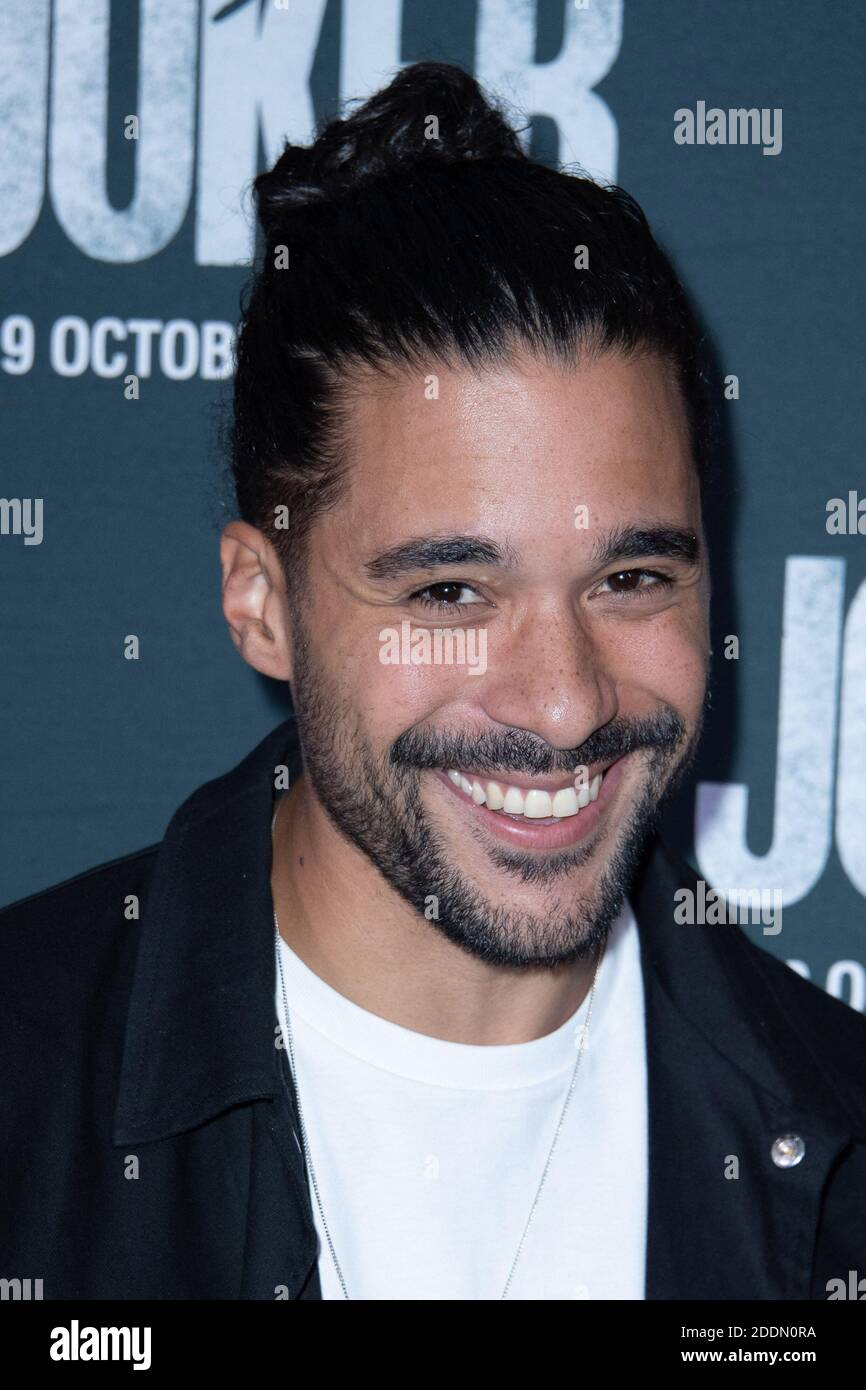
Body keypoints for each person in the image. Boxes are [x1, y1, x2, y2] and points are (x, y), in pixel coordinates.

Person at [2, 62, 864, 1302]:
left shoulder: (834, 1147)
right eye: (449, 594)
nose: (564, 704)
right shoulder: (24, 1100)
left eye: (629, 579)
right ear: (262, 603)